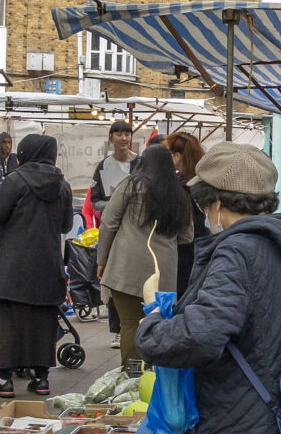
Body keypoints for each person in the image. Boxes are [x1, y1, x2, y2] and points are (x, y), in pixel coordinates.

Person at [136, 143, 281, 434]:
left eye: (205, 204)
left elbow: (202, 335)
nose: (205, 213)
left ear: (216, 202)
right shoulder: (277, 242)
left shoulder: (238, 252)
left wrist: (152, 325)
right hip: (263, 425)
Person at [0, 134, 72, 397]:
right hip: (48, 264)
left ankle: (5, 381)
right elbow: (66, 226)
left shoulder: (15, 179)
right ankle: (42, 379)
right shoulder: (62, 185)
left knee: (11, 321)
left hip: (14, 264)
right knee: (43, 322)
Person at [98, 143, 196, 373]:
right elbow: (188, 236)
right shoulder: (180, 194)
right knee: (157, 325)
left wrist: (101, 260)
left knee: (130, 323)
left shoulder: (130, 186)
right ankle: (153, 376)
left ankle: (132, 376)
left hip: (125, 267)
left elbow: (108, 223)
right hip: (163, 273)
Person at [165, 131, 211, 290]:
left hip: (186, 248)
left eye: (170, 153)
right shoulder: (203, 180)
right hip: (204, 243)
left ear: (177, 156)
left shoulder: (183, 186)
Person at [89, 120, 135, 213]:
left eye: (127, 134)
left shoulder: (140, 163)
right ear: (111, 137)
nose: (124, 138)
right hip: (111, 222)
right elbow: (95, 202)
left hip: (135, 222)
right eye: (119, 134)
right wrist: (115, 204)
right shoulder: (104, 166)